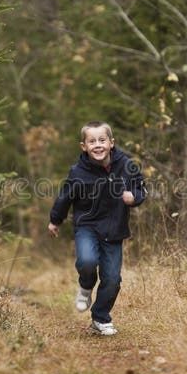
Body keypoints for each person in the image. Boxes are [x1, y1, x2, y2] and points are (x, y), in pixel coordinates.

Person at [48, 120, 147, 335]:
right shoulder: (78, 172)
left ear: (111, 143)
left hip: (114, 229)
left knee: (112, 279)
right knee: (87, 261)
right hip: (87, 226)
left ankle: (100, 318)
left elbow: (141, 187)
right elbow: (65, 197)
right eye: (92, 141)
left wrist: (135, 197)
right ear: (83, 146)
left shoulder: (126, 165)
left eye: (102, 140)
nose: (98, 145)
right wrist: (56, 219)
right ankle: (86, 285)